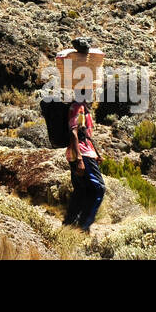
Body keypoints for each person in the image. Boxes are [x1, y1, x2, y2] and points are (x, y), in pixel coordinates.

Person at [63, 93, 104, 231]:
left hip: (82, 153)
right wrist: (80, 159)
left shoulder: (82, 107)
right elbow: (74, 132)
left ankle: (69, 225)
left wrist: (97, 154)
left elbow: (85, 135)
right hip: (82, 154)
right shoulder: (79, 107)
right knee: (98, 189)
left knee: (81, 191)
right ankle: (83, 227)